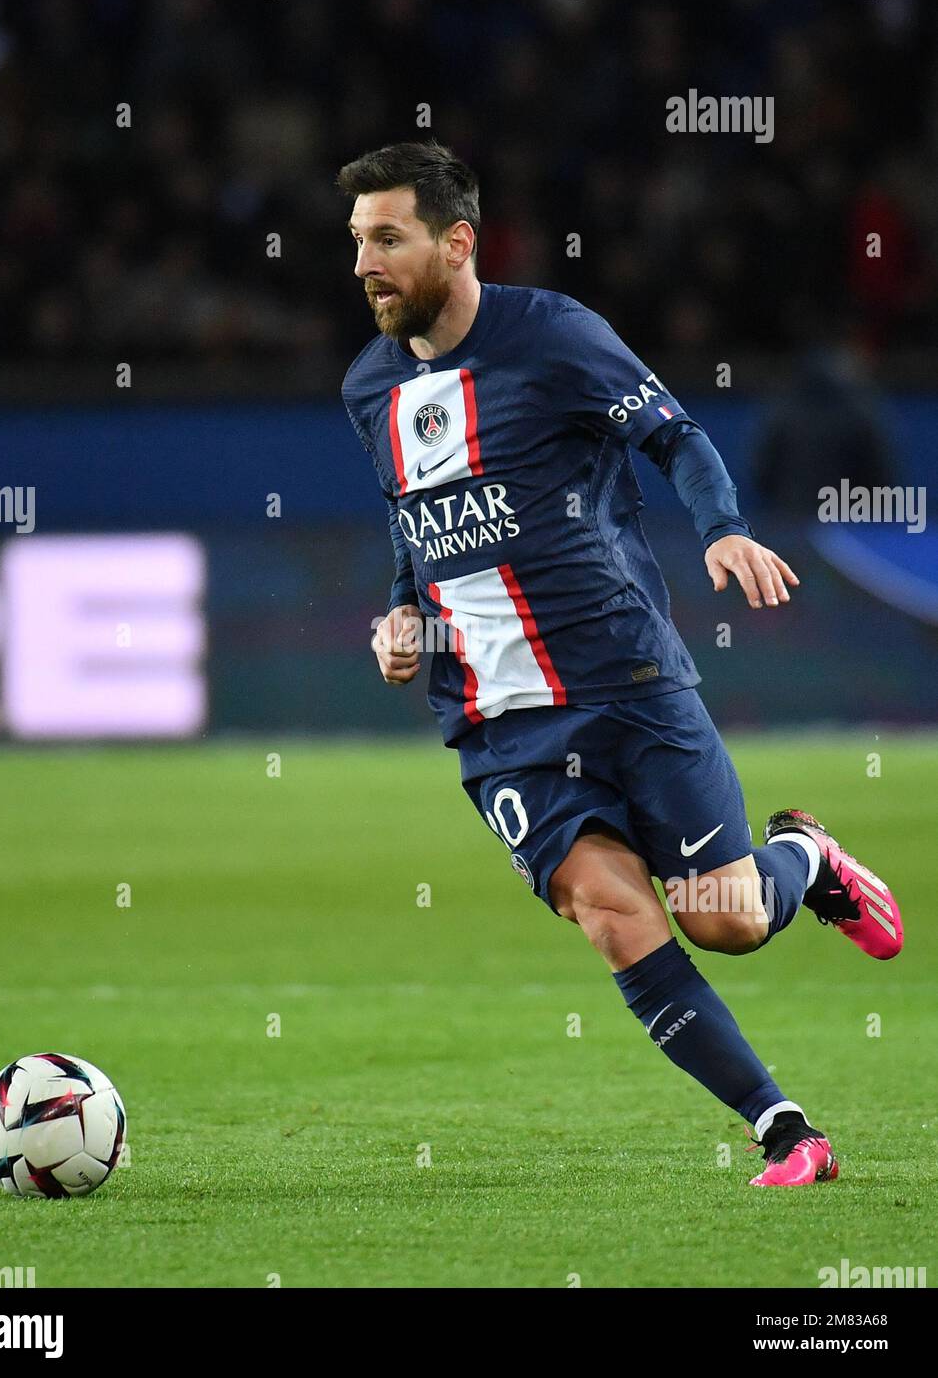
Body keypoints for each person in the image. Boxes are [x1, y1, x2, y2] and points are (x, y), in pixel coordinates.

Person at [338, 140, 903, 1187]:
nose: (364, 263)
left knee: (723, 919)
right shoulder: (369, 386)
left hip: (624, 678)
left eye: (387, 238)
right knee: (610, 911)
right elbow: (407, 522)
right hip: (497, 721)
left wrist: (723, 528)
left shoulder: (553, 336)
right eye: (356, 241)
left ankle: (809, 862)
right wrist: (399, 614)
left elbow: (677, 438)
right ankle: (785, 1128)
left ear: (456, 243)